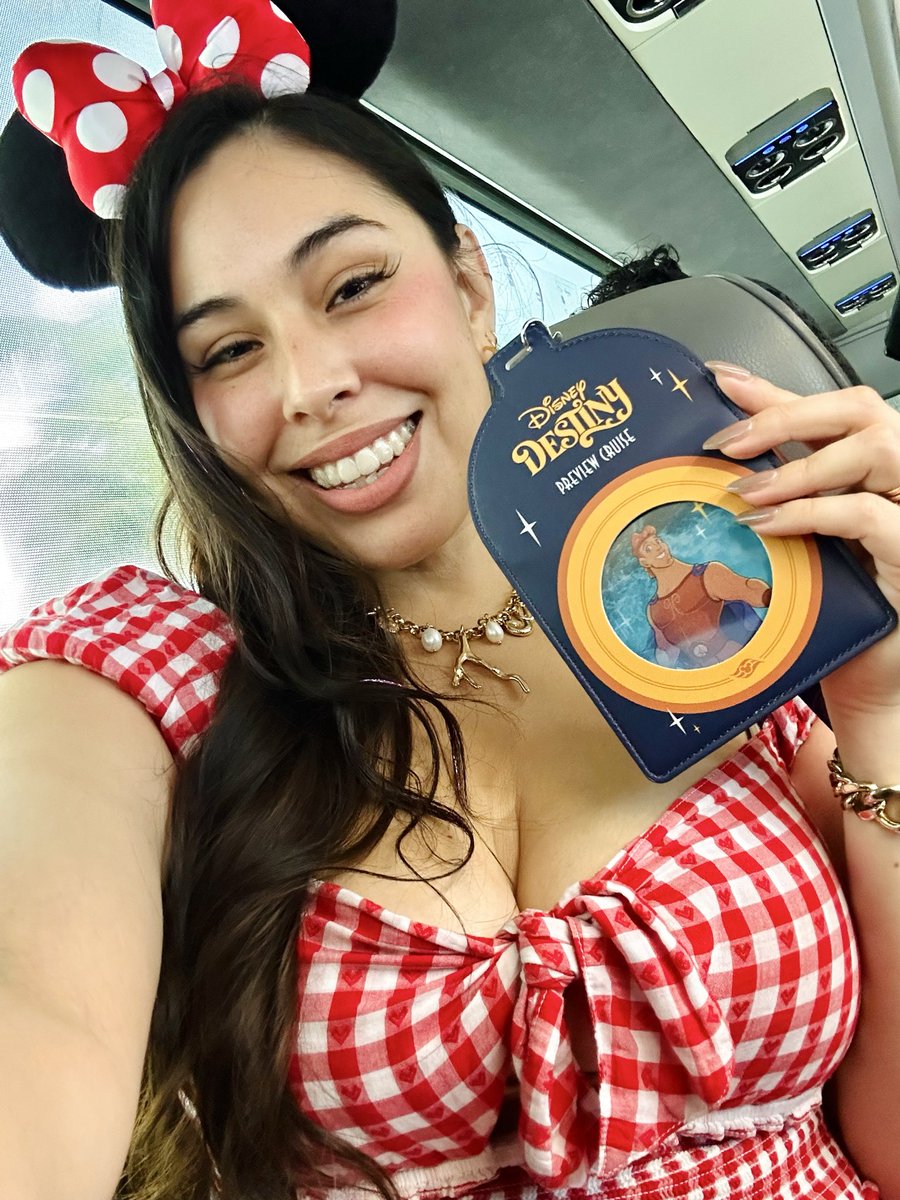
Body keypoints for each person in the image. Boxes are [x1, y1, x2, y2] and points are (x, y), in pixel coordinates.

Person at [1, 3, 900, 1199]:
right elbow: (38, 1007)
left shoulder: (727, 623)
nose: (312, 384)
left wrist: (884, 707)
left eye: (353, 285)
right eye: (226, 352)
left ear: (471, 286)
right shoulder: (140, 682)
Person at [629, 525, 771, 668]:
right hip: (708, 676)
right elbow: (665, 655)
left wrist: (776, 596)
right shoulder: (652, 610)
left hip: (745, 660)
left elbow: (750, 590)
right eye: (648, 549)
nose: (658, 547)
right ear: (644, 562)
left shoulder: (708, 574)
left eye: (658, 541)